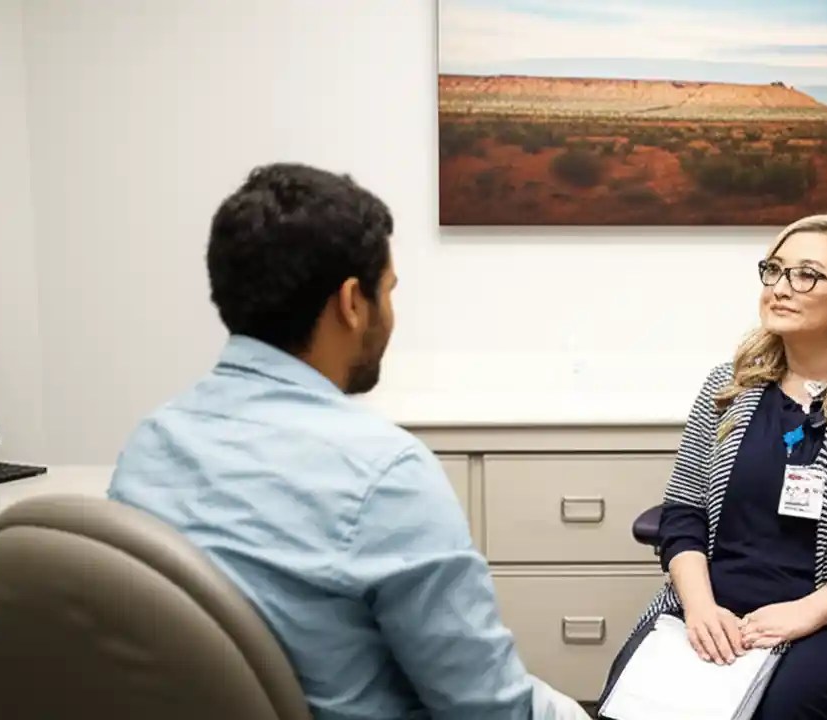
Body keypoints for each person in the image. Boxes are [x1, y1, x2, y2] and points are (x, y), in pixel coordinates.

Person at [108, 162, 589, 720]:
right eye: (387, 292)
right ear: (351, 303)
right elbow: (489, 712)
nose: (391, 313)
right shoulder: (384, 475)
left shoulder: (149, 446)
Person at [602, 215, 827, 720]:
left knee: (781, 711)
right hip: (716, 609)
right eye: (774, 270)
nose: (781, 288)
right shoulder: (728, 389)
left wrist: (805, 613)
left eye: (806, 275)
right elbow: (683, 515)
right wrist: (700, 609)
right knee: (632, 703)